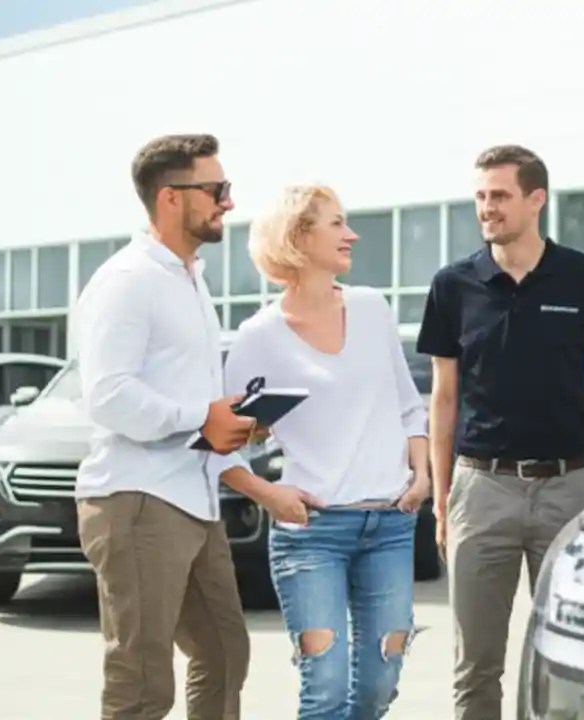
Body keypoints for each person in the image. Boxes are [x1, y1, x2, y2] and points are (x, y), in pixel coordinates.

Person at [417, 144, 584, 720]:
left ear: (536, 199)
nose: (487, 208)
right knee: (475, 666)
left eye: (500, 196)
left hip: (570, 488)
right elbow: (444, 397)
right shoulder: (452, 285)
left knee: (574, 661)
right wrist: (442, 496)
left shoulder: (582, 277)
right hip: (481, 491)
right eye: (481, 196)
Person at [214, 184, 431, 720]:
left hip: (389, 526)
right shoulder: (258, 336)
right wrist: (269, 495)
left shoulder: (372, 307)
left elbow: (409, 406)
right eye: (336, 223)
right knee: (327, 689)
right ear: (297, 236)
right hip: (312, 536)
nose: (351, 234)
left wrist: (423, 473)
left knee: (379, 686)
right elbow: (217, 448)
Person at [74, 133, 255, 719]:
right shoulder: (128, 279)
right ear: (171, 198)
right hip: (138, 499)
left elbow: (185, 398)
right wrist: (201, 417)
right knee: (144, 682)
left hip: (193, 498)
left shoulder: (190, 279)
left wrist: (232, 422)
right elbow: (107, 395)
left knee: (225, 654)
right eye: (217, 189)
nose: (228, 201)